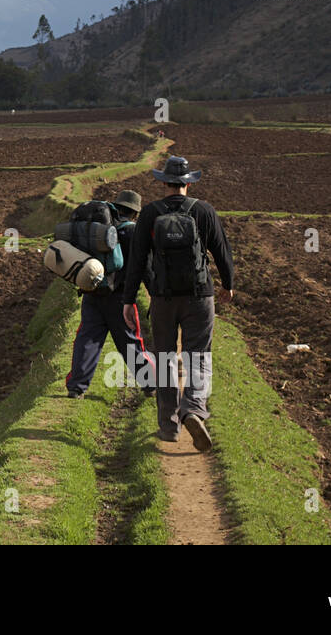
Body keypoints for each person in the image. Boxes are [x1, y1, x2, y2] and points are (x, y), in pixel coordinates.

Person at [121, 156, 234, 451]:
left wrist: (128, 299)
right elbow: (221, 250)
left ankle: (169, 426)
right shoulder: (204, 211)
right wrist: (228, 284)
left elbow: (136, 261)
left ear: (163, 182)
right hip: (199, 296)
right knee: (199, 356)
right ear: (188, 183)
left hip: (162, 298)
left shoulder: (149, 214)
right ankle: (194, 409)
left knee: (165, 358)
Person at [64, 190, 156, 400]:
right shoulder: (134, 233)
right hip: (121, 299)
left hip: (92, 292)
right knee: (130, 342)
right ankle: (150, 385)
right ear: (135, 213)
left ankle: (77, 387)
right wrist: (154, 297)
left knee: (87, 339)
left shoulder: (99, 230)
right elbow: (147, 269)